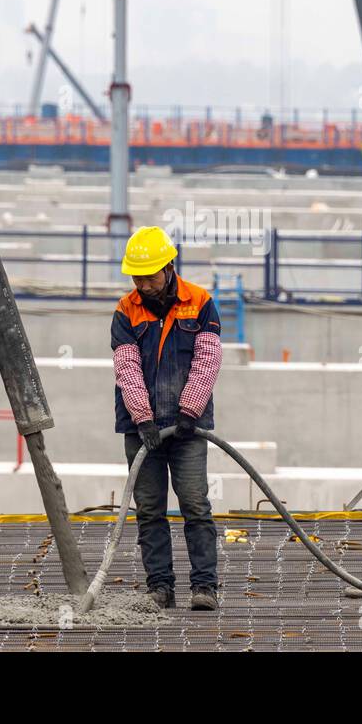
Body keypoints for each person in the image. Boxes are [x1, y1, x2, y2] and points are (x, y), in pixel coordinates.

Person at [111, 226, 223, 611]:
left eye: (149, 276)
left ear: (169, 267)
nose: (142, 284)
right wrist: (143, 419)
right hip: (142, 430)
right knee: (150, 510)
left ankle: (204, 586)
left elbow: (207, 359)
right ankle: (160, 587)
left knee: (195, 504)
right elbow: (126, 366)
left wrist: (190, 410)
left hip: (187, 429)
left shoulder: (200, 302)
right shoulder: (126, 310)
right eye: (136, 277)